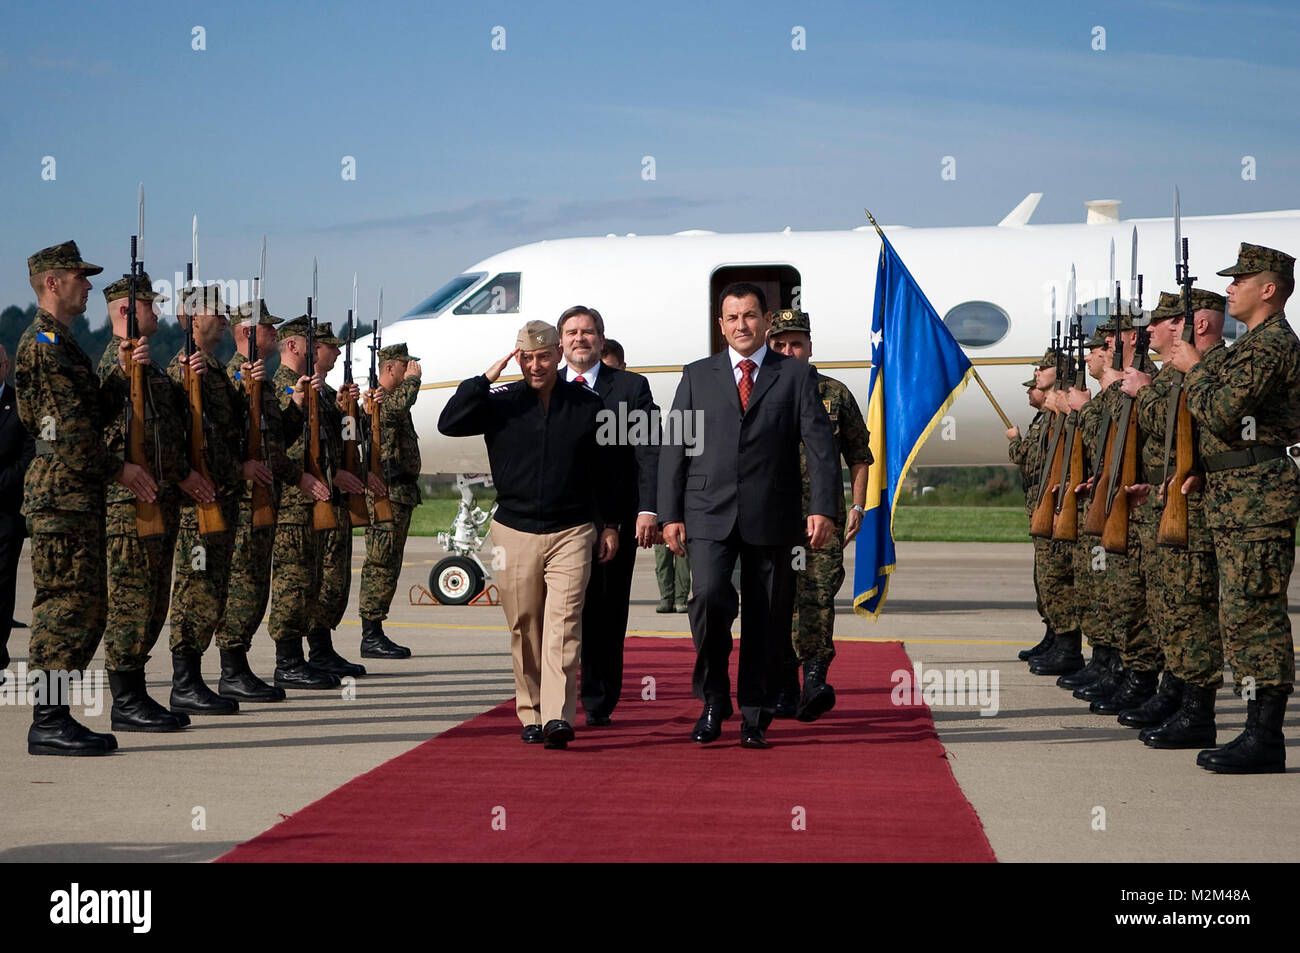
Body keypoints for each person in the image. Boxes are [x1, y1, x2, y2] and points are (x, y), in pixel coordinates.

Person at [658, 282, 838, 748]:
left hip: (773, 514)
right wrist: (669, 513)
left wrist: (823, 507)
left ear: (766, 321)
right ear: (721, 325)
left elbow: (820, 446)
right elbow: (674, 447)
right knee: (708, 599)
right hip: (707, 511)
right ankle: (714, 699)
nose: (742, 325)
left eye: (751, 316)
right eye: (733, 317)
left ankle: (755, 715)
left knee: (768, 616)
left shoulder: (795, 375)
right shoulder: (697, 375)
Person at [439, 320, 619, 749]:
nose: (536, 366)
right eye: (527, 358)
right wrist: (484, 379)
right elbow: (449, 422)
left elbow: (605, 471)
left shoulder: (587, 403)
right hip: (514, 529)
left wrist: (610, 523)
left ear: (558, 355)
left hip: (572, 530)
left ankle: (557, 717)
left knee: (565, 624)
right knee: (525, 625)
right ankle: (532, 711)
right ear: (517, 359)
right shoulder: (499, 401)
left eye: (543, 357)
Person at [1171, 242, 1300, 774]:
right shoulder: (1249, 345)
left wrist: (1194, 367)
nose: (1229, 289)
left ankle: (1264, 737)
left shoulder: (1272, 346)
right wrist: (1204, 465)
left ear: (1268, 289)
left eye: (1239, 281)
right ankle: (1253, 730)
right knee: (1238, 614)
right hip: (1234, 494)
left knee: (1256, 614)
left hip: (1258, 497)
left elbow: (1223, 412)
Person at [19, 240, 151, 755]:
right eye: (80, 277)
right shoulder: (44, 344)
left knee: (86, 606)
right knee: (64, 607)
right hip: (61, 497)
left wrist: (121, 373)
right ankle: (48, 720)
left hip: (76, 497)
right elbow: (70, 435)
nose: (89, 285)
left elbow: (91, 411)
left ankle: (56, 716)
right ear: (53, 282)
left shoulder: (64, 343)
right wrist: (120, 469)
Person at [98, 272, 204, 731]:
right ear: (126, 311)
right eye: (149, 305)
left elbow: (172, 430)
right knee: (131, 602)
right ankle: (125, 699)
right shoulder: (111, 368)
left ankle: (138, 692)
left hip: (160, 501)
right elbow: (99, 434)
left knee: (154, 601)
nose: (158, 312)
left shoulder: (154, 369)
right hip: (128, 506)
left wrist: (190, 380)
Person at [1123, 288, 1226, 746]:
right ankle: (1176, 693)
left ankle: (1197, 710)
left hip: (1199, 504)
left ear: (1190, 325)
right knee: (1170, 605)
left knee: (1191, 606)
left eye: (1160, 321)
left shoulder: (1211, 367)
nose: (1148, 329)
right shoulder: (1178, 371)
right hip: (1168, 497)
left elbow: (1189, 422)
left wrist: (1144, 391)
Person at [766, 308, 871, 721]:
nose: (788, 351)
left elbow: (859, 456)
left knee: (819, 596)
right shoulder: (757, 392)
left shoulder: (834, 393)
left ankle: (814, 679)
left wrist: (858, 505)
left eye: (796, 344)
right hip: (772, 519)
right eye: (780, 344)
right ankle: (784, 684)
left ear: (809, 348)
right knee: (778, 600)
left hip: (822, 520)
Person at [557, 306, 659, 726]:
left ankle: (598, 702)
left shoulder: (631, 388)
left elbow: (648, 452)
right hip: (556, 522)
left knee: (605, 615)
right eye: (572, 332)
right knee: (557, 618)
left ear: (601, 339)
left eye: (588, 332)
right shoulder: (544, 386)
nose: (580, 339)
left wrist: (647, 509)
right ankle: (553, 703)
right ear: (561, 342)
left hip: (613, 521)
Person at [212, 298, 300, 701]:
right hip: (243, 500)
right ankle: (231, 668)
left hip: (263, 497)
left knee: (255, 585)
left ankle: (239, 665)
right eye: (268, 327)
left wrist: (295, 407)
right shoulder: (235, 375)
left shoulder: (260, 378)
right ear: (248, 333)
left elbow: (276, 439)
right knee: (242, 584)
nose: (275, 333)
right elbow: (220, 436)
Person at [166, 285, 245, 716]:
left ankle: (195, 679)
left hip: (222, 498)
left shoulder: (213, 370)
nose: (226, 321)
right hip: (196, 505)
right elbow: (167, 434)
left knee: (213, 589)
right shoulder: (179, 370)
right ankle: (185, 682)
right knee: (194, 590)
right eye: (218, 313)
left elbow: (232, 431)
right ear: (193, 319)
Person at [268, 316, 340, 689]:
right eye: (310, 344)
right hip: (293, 502)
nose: (318, 350)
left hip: (314, 499)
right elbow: (281, 446)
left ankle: (313, 653)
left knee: (311, 581)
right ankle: (288, 661)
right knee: (291, 583)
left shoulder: (312, 387)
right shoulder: (280, 387)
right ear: (294, 346)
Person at [308, 322, 369, 675]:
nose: (337, 352)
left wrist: (351, 407)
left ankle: (322, 647)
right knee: (320, 579)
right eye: (331, 346)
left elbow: (349, 437)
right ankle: (313, 652)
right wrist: (333, 476)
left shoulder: (328, 395)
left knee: (335, 580)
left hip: (336, 502)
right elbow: (303, 450)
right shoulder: (296, 390)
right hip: (319, 499)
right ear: (314, 350)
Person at [357, 342, 421, 659]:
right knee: (381, 562)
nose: (411, 369)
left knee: (391, 563)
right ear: (390, 368)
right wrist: (413, 381)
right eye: (405, 365)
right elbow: (395, 410)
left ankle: (376, 630)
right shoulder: (378, 401)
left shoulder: (391, 399)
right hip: (386, 491)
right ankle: (370, 634)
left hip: (401, 492)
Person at [1006, 367, 1051, 660]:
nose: (1028, 391)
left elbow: (1024, 457)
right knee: (1044, 578)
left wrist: (1014, 440)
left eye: (1032, 387)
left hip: (1047, 505)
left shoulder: (1050, 419)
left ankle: (1062, 642)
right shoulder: (1041, 420)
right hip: (1038, 506)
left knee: (1052, 579)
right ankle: (1053, 636)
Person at [0, 344, 34, 687]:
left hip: (6, 512)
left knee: (2, 589)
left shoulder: (19, 405)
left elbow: (28, 456)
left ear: (6, 366)